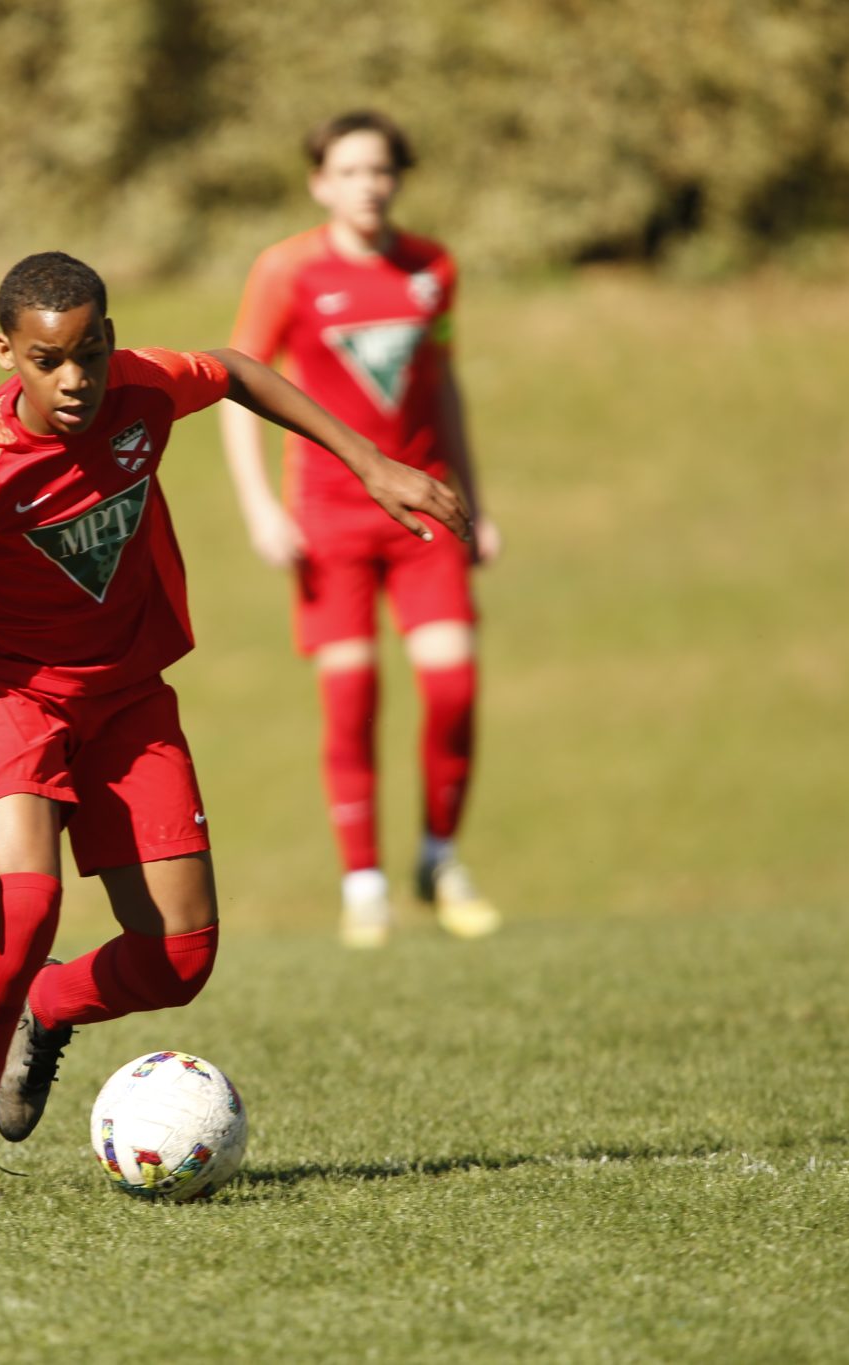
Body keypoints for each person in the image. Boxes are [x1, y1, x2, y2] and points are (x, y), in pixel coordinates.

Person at [0, 251, 468, 1199]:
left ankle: (43, 1007)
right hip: (6, 696)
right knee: (25, 906)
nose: (75, 380)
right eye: (49, 359)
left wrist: (372, 462)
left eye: (91, 351)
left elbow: (240, 370)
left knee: (180, 958)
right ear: (7, 352)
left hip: (129, 695)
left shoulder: (141, 392)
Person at [220, 109, 503, 949]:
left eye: (379, 170)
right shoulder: (286, 272)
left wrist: (475, 502)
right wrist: (259, 506)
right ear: (320, 183)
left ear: (397, 178)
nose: (366, 185)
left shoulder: (432, 270)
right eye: (348, 171)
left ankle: (441, 856)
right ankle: (364, 882)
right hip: (330, 519)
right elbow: (239, 385)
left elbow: (443, 388)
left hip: (425, 509)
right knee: (352, 697)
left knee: (452, 686)